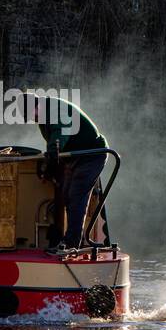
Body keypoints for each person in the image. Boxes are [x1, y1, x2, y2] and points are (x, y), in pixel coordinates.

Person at [28, 93, 108, 250]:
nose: (32, 119)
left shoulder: (55, 109)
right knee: (66, 194)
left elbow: (59, 136)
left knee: (76, 196)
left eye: (31, 114)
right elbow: (53, 143)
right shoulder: (43, 115)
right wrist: (49, 169)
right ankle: (66, 239)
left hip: (91, 156)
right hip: (74, 158)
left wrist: (51, 157)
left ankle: (71, 243)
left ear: (36, 106)